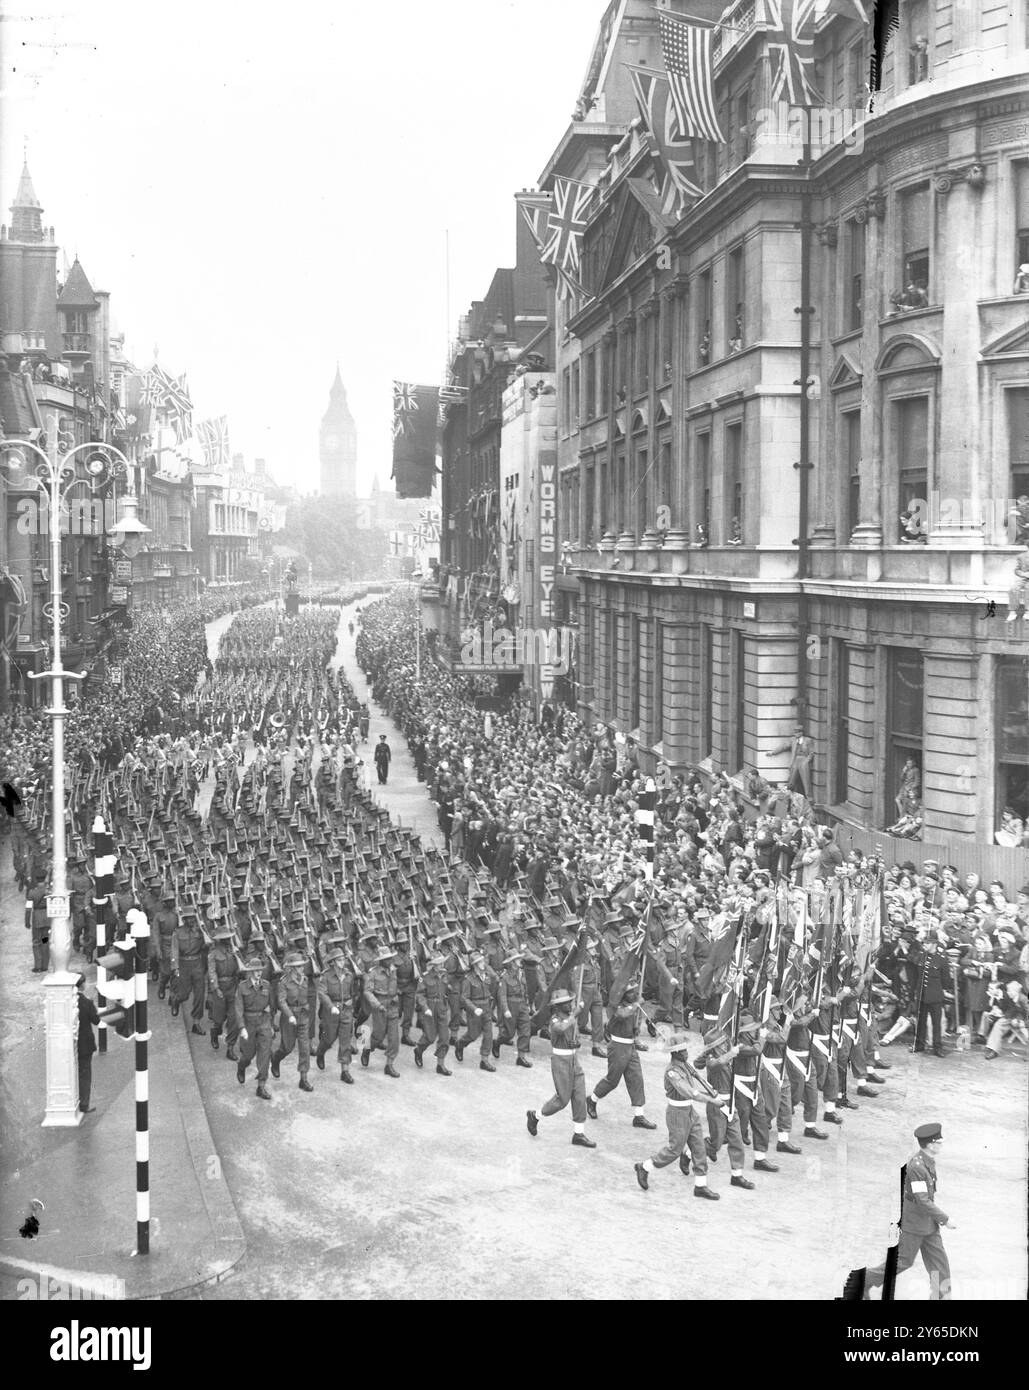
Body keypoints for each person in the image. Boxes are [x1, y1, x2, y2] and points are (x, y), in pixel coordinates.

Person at [863, 1122, 954, 1300]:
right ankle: (863, 1279)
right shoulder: (917, 1167)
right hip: (915, 1225)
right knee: (903, 1261)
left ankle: (940, 1297)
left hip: (928, 1224)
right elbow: (922, 1200)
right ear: (930, 1144)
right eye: (939, 1141)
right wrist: (945, 1219)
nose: (942, 1144)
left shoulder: (926, 1161)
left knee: (939, 1265)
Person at [633, 1031, 719, 1198]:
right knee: (674, 1150)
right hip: (677, 1113)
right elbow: (690, 1092)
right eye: (684, 1051)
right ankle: (644, 1167)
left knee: (699, 1148)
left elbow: (695, 1085)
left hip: (689, 1111)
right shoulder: (672, 1071)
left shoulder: (685, 1066)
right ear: (676, 1053)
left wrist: (709, 1090)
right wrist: (712, 1100)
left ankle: (700, 1186)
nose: (687, 1053)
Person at [526, 988, 596, 1148]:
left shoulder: (570, 1018)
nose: (570, 1005)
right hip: (561, 1061)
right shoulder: (554, 1020)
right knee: (562, 1099)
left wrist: (576, 1043)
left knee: (579, 1095)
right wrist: (575, 1014)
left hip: (573, 1059)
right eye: (567, 1003)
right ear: (558, 1007)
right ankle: (535, 1115)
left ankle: (579, 1133)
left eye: (570, 1002)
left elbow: (573, 1034)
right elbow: (560, 1029)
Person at [75, 975, 101, 1115]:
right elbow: (96, 1021)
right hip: (85, 1044)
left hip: (72, 1044)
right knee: (85, 1074)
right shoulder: (87, 1003)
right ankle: (84, 1103)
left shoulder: (69, 1002)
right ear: (82, 985)